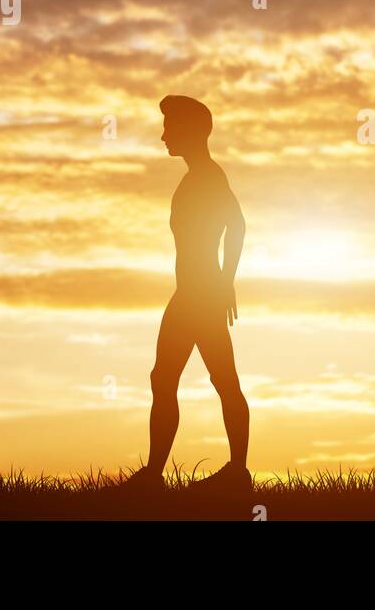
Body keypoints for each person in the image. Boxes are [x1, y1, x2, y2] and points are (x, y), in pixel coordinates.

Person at [126, 95, 250, 492]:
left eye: (170, 128)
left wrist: (225, 280)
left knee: (219, 380)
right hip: (192, 293)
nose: (163, 136)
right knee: (167, 378)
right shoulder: (200, 176)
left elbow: (238, 225)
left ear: (191, 131)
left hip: (201, 293)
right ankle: (157, 475)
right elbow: (237, 225)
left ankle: (236, 473)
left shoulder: (208, 177)